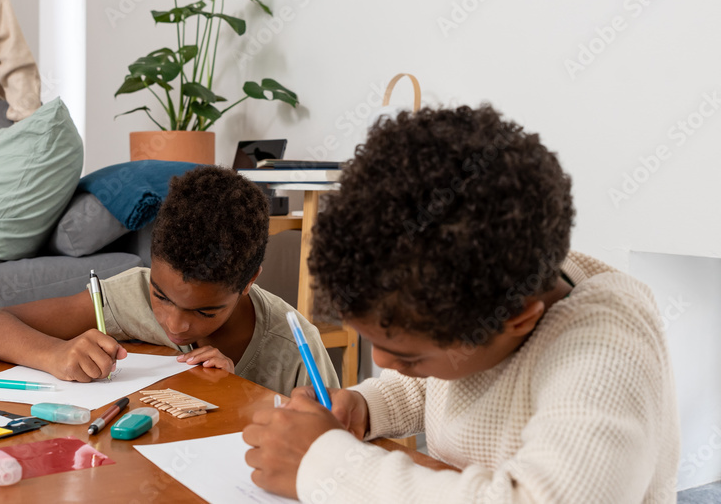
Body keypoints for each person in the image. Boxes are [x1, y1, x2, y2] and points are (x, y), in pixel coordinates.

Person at [244, 105, 680, 502]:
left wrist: (329, 466)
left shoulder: (608, 351)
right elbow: (441, 382)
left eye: (409, 358)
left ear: (518, 321)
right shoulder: (477, 302)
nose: (380, 360)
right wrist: (365, 405)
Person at [0, 165, 339, 397]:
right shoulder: (133, 294)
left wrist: (238, 395)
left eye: (205, 310)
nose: (174, 324)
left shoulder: (293, 347)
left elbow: (334, 451)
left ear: (249, 282)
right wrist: (53, 354)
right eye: (161, 295)